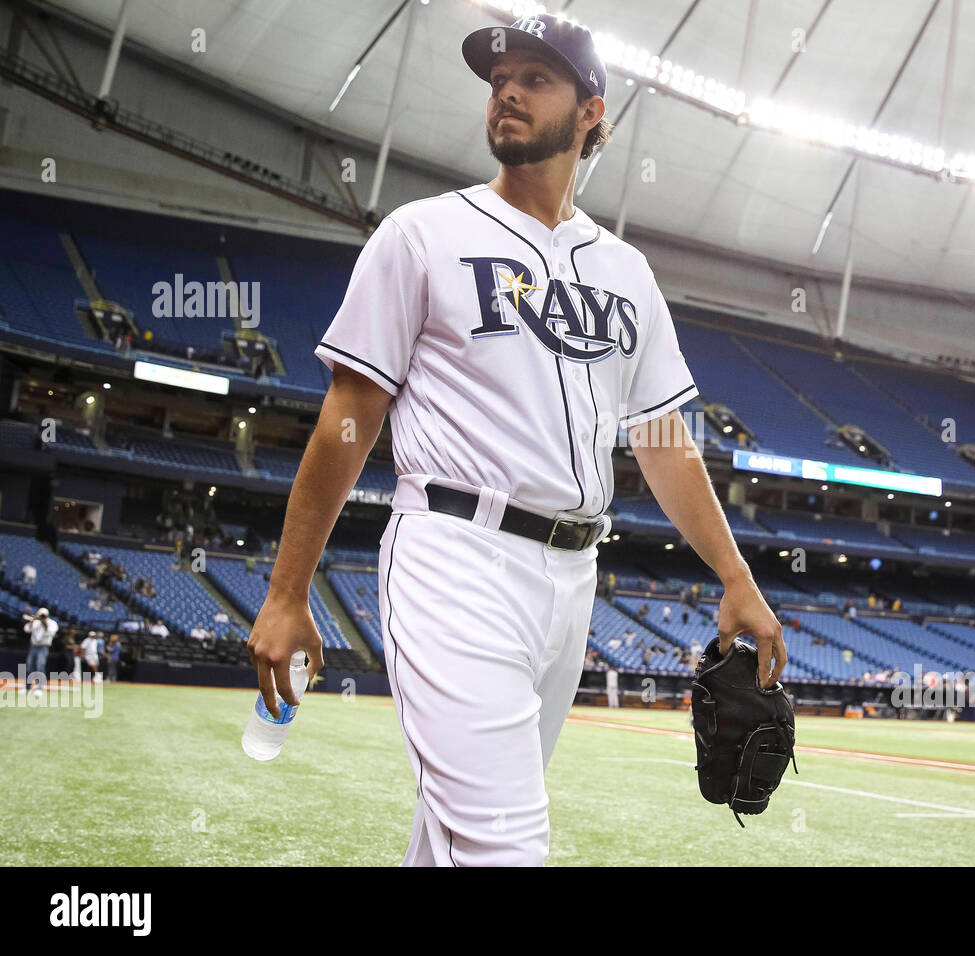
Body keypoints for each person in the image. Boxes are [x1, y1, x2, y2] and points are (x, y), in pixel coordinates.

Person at [243, 12, 785, 869]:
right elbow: (349, 416)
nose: (507, 91)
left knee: (453, 840)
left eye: (537, 79)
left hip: (574, 579)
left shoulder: (625, 271)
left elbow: (661, 436)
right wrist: (286, 592)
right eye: (500, 79)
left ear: (592, 112)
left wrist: (737, 577)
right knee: (503, 844)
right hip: (454, 555)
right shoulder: (421, 234)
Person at [23, 608, 57, 690]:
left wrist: (44, 622)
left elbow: (50, 632)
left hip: (43, 647)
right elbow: (26, 629)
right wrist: (33, 620)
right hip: (33, 646)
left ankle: (40, 687)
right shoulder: (35, 622)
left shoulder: (52, 623)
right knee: (29, 666)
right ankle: (27, 687)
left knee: (40, 665)